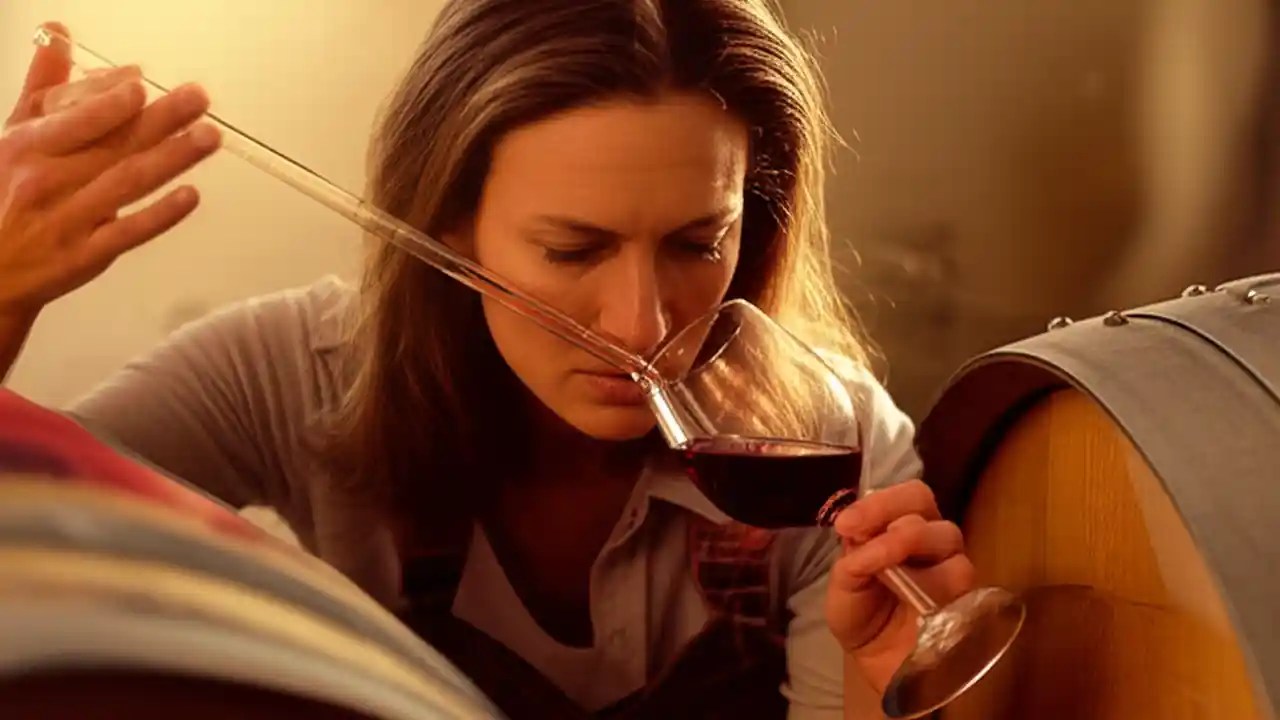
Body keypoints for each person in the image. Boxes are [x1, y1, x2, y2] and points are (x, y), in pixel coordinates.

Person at [0, 3, 975, 718]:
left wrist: (888, 695)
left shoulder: (827, 442)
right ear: (450, 229)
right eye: (571, 250)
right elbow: (21, 576)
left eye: (694, 243)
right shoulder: (286, 372)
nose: (640, 327)